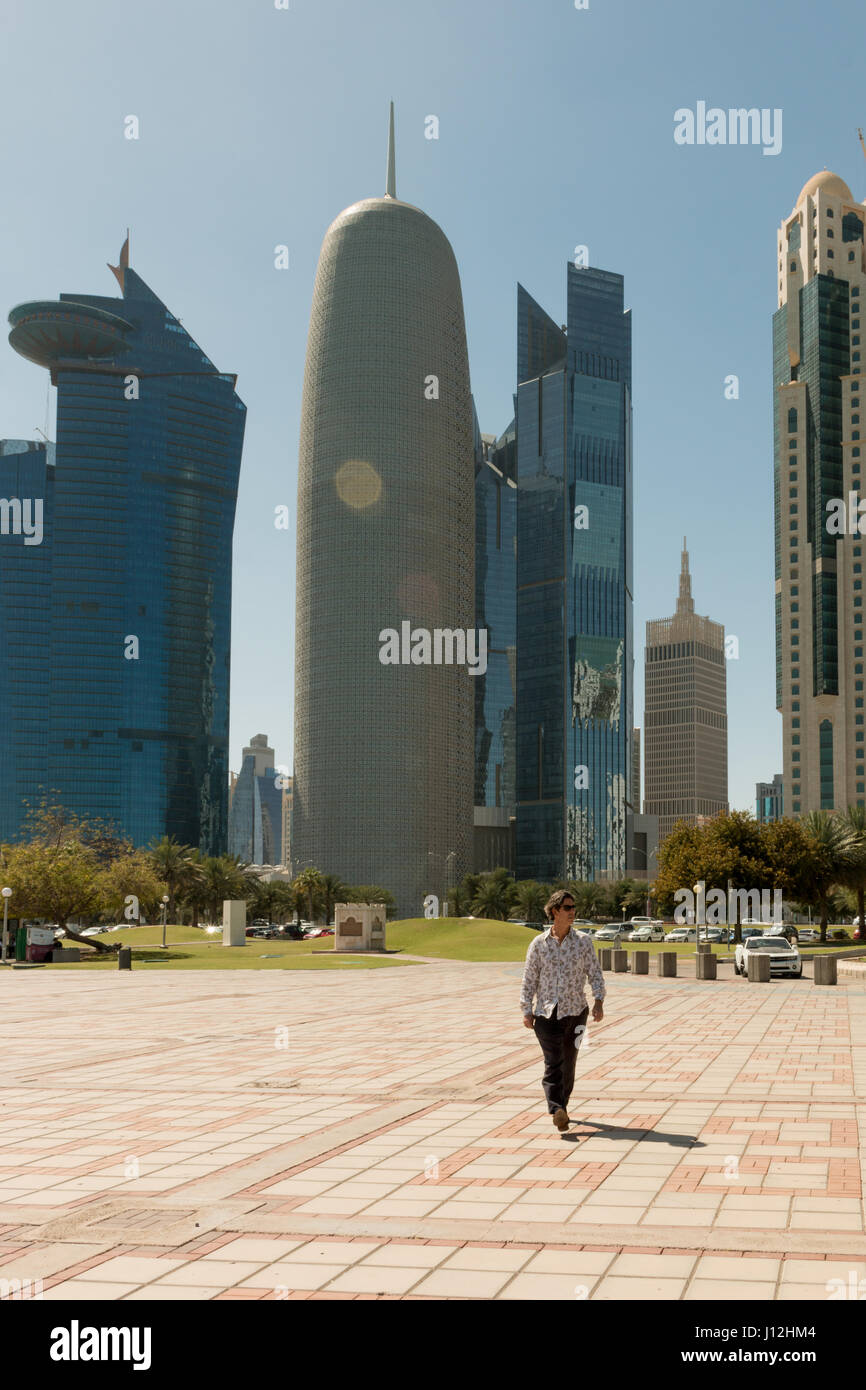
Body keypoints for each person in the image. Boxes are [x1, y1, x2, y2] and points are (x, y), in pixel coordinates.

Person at [520, 888, 605, 1131]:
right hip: (546, 1015)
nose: (572, 912)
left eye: (573, 907)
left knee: (569, 1063)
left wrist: (598, 1001)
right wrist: (526, 1010)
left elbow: (595, 974)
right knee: (553, 1062)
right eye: (567, 908)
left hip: (577, 1013)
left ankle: (562, 1109)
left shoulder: (583, 942)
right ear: (555, 911)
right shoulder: (538, 944)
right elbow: (529, 979)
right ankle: (556, 1107)